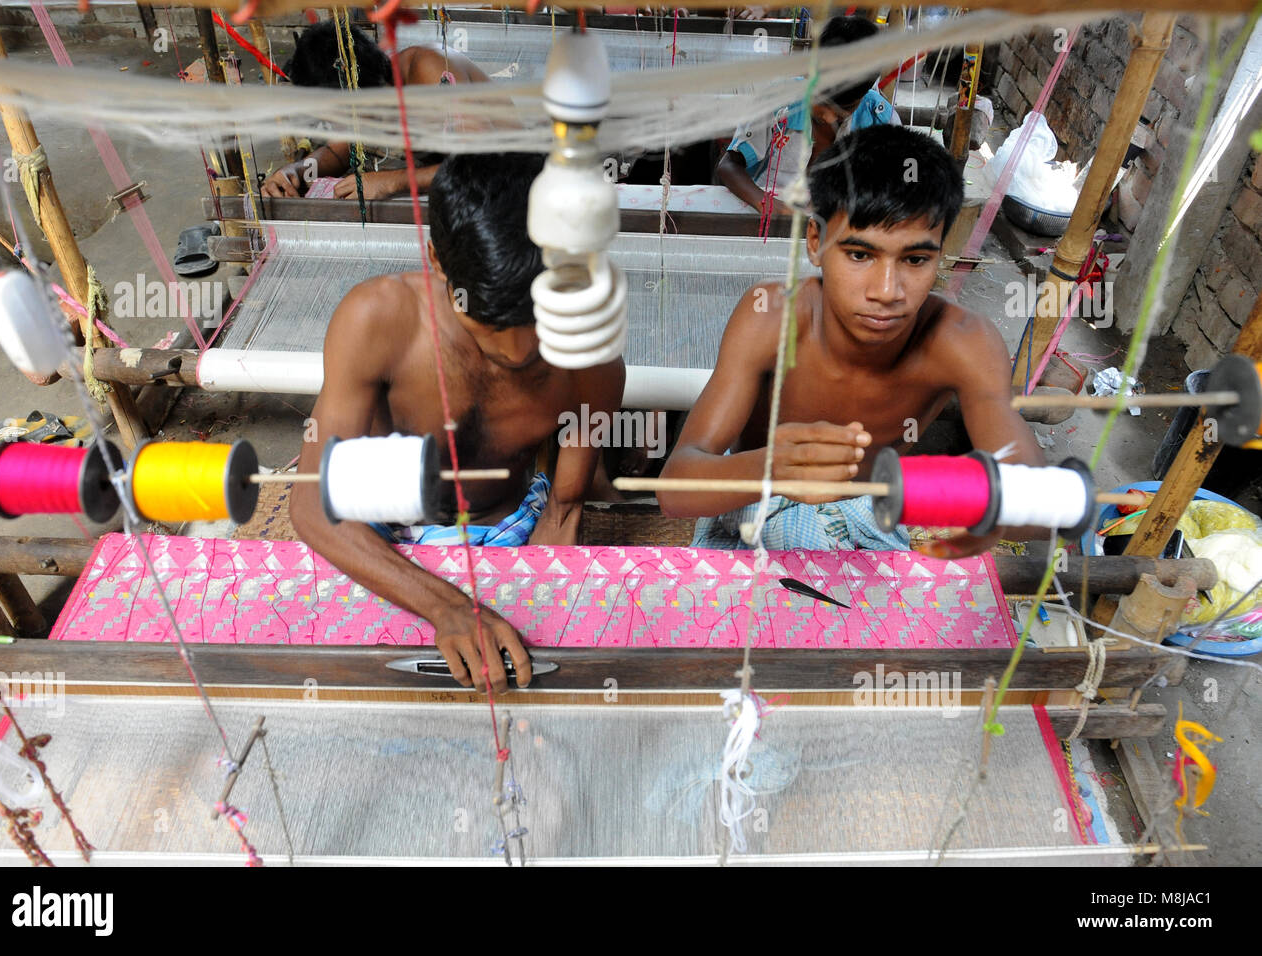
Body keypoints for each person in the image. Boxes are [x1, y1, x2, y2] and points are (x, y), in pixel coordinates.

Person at [291, 153, 624, 690]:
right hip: (371, 529)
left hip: (505, 528)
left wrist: (537, 592)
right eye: (489, 323)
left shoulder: (592, 361)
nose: (518, 350)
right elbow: (312, 503)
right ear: (437, 262)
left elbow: (564, 505)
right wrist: (447, 607)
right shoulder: (378, 320)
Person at [661, 125, 1043, 558]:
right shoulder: (771, 318)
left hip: (869, 513)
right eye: (860, 255)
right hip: (752, 497)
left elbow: (1033, 504)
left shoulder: (963, 342)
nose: (886, 291)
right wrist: (772, 467)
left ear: (939, 253)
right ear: (815, 243)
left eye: (915, 260)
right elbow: (677, 488)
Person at [262, 22, 489, 201]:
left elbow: (481, 166)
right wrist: (297, 172)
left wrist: (389, 182)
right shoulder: (374, 92)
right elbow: (338, 150)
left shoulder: (431, 71)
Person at [716, 15, 899, 217]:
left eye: (846, 108)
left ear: (865, 94)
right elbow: (729, 165)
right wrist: (766, 203)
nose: (830, 118)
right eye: (821, 101)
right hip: (768, 216)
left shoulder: (880, 119)